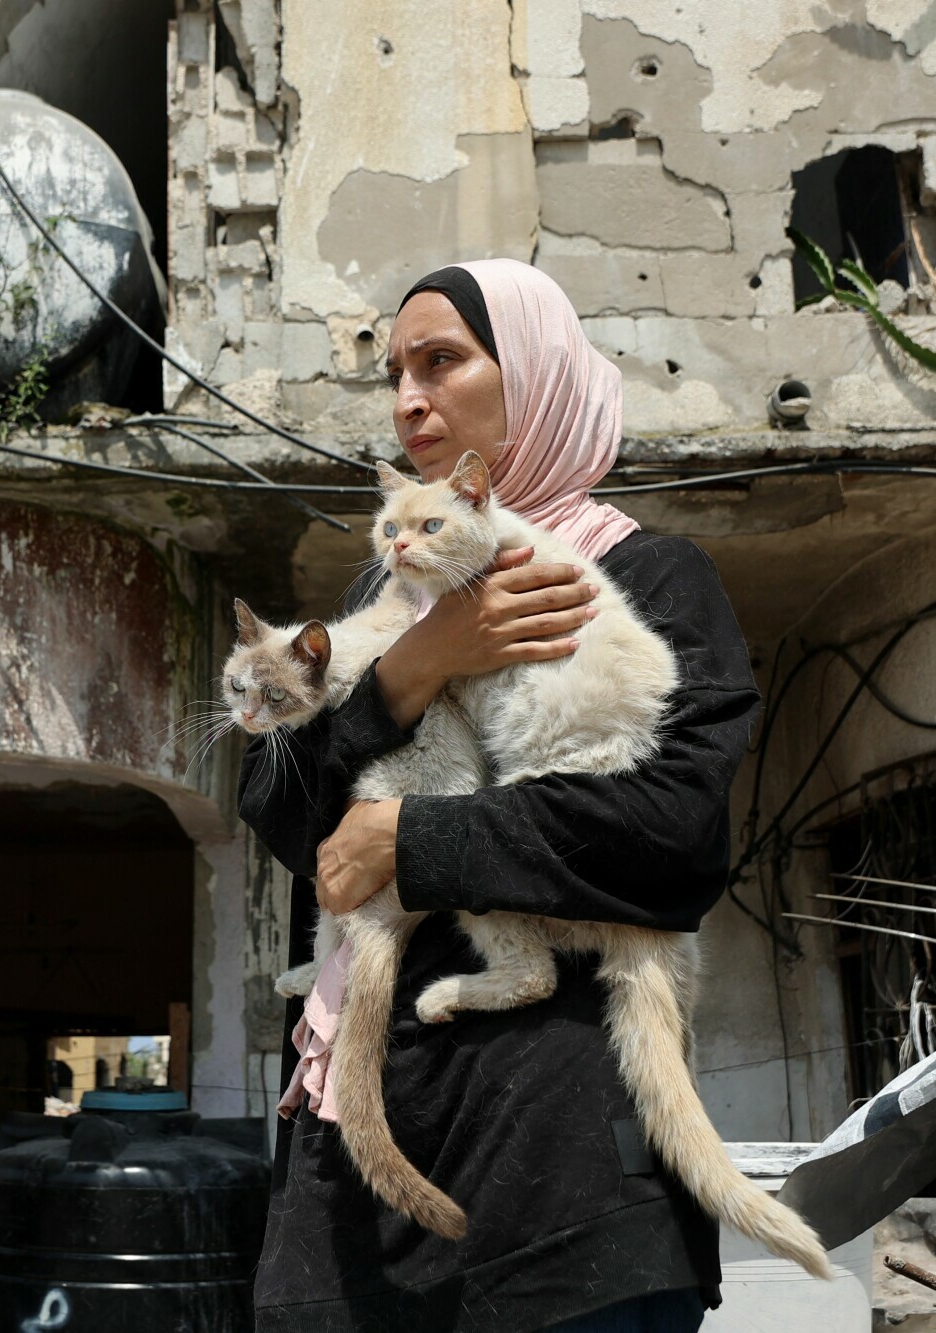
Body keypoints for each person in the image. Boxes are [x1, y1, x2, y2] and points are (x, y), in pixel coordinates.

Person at [238, 259, 761, 1332]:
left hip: (561, 1173)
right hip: (369, 1163)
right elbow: (279, 809)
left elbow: (672, 831)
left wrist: (410, 838)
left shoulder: (647, 578)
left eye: (441, 361)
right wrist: (415, 664)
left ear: (534, 370)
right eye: (394, 373)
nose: (408, 400)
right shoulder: (392, 595)